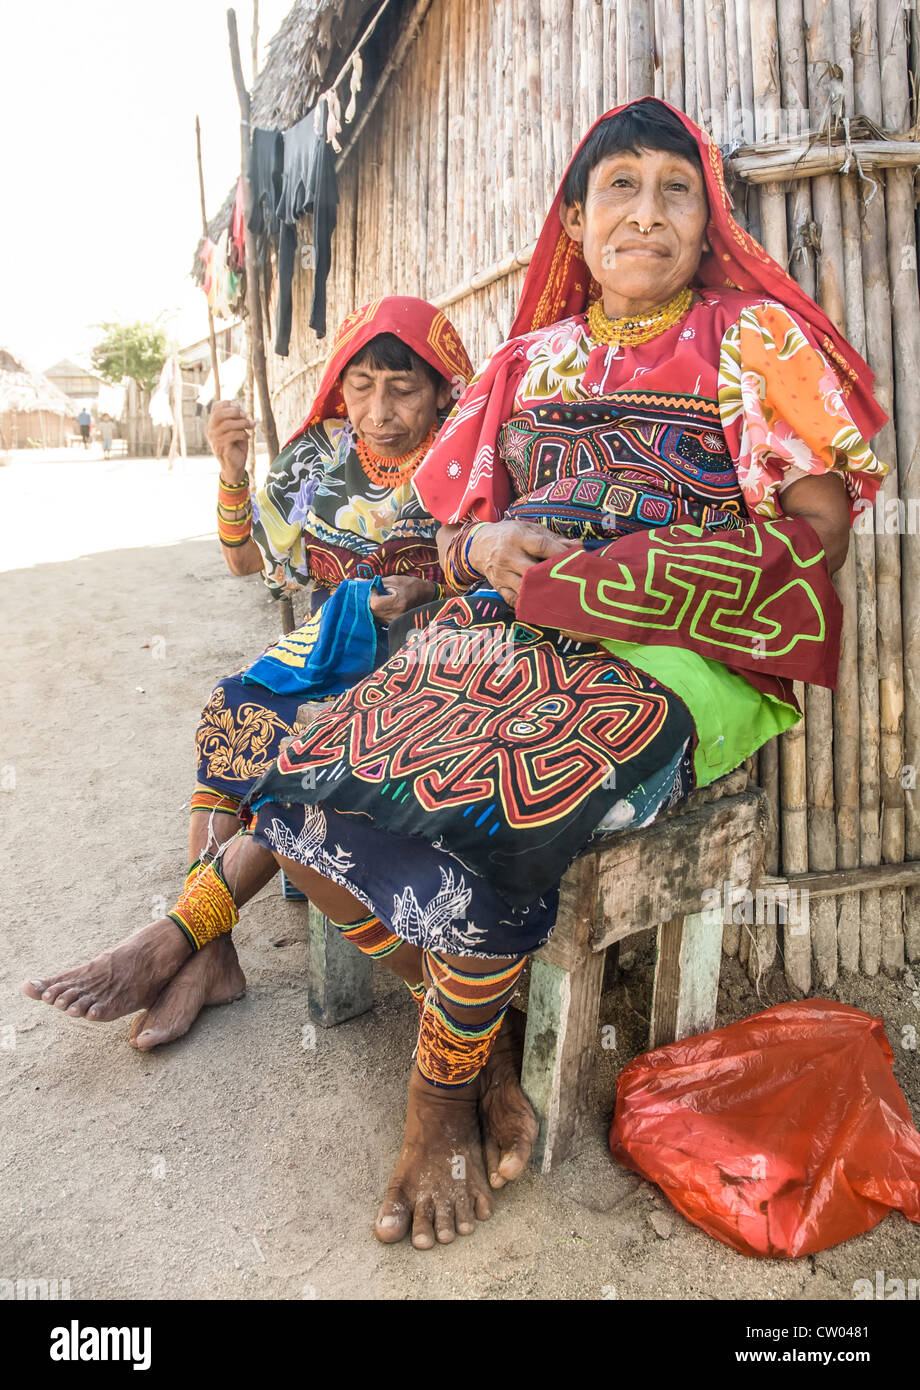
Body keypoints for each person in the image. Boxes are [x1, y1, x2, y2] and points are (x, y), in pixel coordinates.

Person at [23, 100, 888, 1252]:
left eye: (673, 190)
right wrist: (482, 546)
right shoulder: (530, 361)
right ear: (574, 224)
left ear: (704, 216)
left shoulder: (749, 342)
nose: (645, 212)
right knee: (306, 769)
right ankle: (436, 1043)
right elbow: (418, 538)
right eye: (617, 188)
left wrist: (628, 570)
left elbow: (814, 531)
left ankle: (435, 1097)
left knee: (512, 800)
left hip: (680, 641)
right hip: (504, 624)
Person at [22, 295, 471, 1049]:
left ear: (441, 387)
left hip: (431, 660)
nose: (380, 408)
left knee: (323, 742)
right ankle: (208, 946)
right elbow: (245, 558)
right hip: (332, 642)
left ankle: (184, 940)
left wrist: (432, 586)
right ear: (340, 386)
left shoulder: (466, 450)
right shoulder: (322, 453)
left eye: (403, 388)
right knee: (234, 704)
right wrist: (232, 472)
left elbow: (492, 573)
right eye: (361, 385)